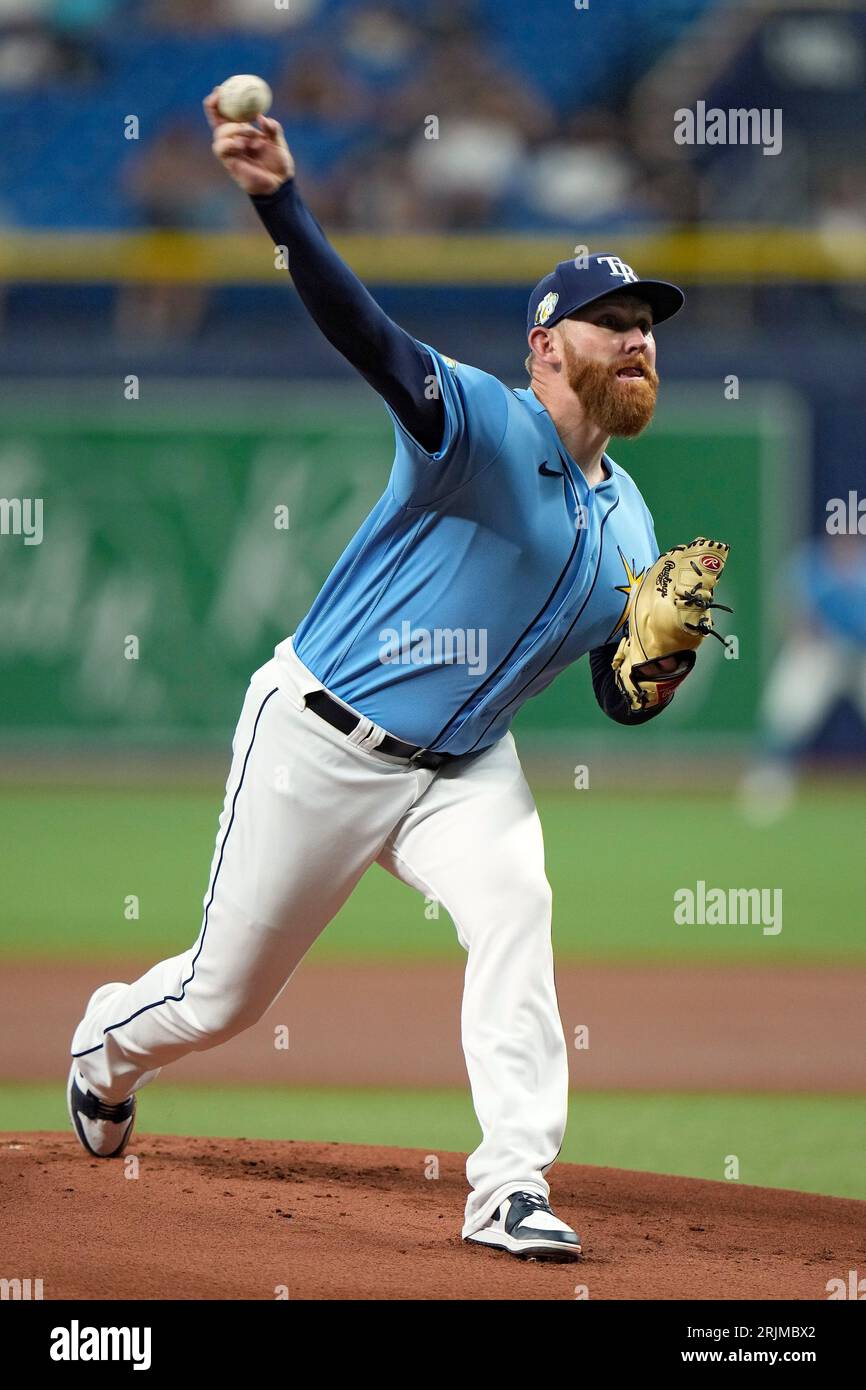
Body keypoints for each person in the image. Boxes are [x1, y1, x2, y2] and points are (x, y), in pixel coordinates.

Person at [67, 90, 693, 1263]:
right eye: (612, 321)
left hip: (464, 768)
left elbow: (615, 690)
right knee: (222, 998)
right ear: (546, 346)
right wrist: (280, 204)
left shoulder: (631, 521)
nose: (640, 339)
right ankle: (102, 1050)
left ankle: (509, 1184)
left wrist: (642, 672)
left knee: (517, 905)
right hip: (320, 735)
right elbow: (366, 333)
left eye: (648, 323)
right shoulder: (480, 425)